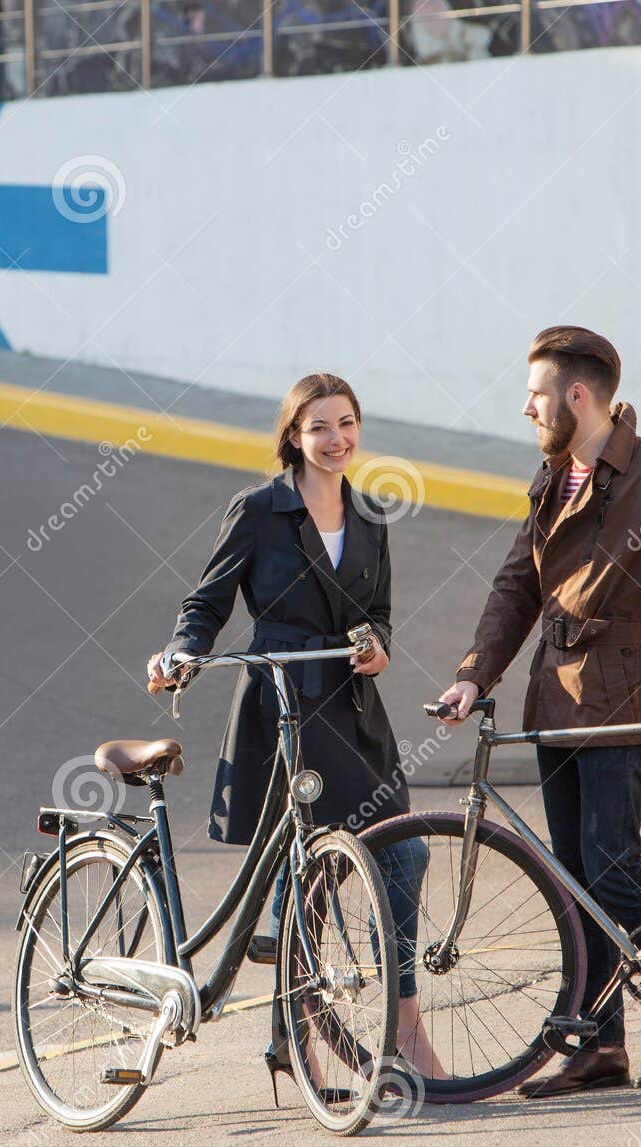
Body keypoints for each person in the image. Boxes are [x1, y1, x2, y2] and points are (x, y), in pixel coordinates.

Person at [436, 326, 641, 1095]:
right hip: (555, 699)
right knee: (575, 875)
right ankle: (599, 1044)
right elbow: (516, 588)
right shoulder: (554, 479)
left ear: (576, 396)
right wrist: (474, 677)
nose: (527, 408)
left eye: (537, 394)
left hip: (616, 694)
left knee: (614, 871)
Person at [148, 371, 446, 1096]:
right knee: (303, 877)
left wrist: (377, 644)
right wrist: (183, 651)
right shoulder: (258, 510)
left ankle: (405, 1023)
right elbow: (207, 601)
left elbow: (378, 613)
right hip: (282, 705)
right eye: (319, 426)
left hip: (353, 709)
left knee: (404, 855)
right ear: (293, 435)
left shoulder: (371, 516)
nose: (336, 438)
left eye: (346, 423)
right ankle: (297, 1040)